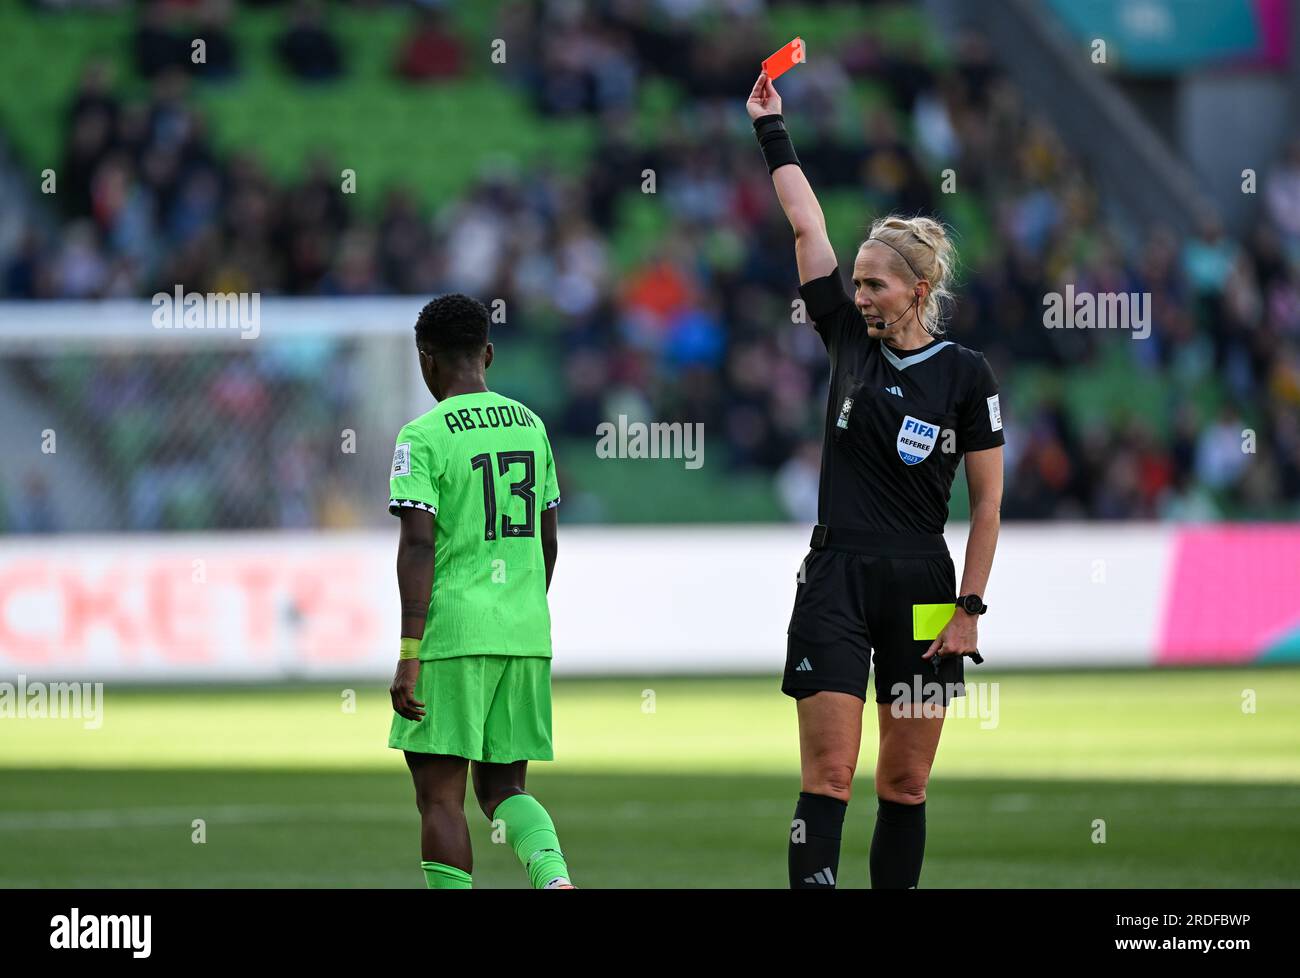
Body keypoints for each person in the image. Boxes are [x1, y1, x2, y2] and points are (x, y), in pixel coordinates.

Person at [747, 72, 1005, 889]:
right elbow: (805, 221)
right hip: (835, 575)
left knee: (906, 782)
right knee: (826, 778)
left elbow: (990, 502)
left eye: (873, 284)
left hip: (927, 584)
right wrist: (771, 128)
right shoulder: (848, 343)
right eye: (853, 282)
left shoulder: (966, 375)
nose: (855, 295)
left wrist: (968, 608)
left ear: (919, 291)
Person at [387, 293, 573, 890]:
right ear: (487, 354)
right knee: (504, 791)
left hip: (452, 634)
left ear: (426, 360)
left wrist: (410, 654)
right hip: (523, 632)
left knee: (441, 799)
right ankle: (554, 880)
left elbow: (417, 547)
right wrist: (521, 609)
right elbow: (547, 543)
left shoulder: (422, 436)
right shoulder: (532, 426)